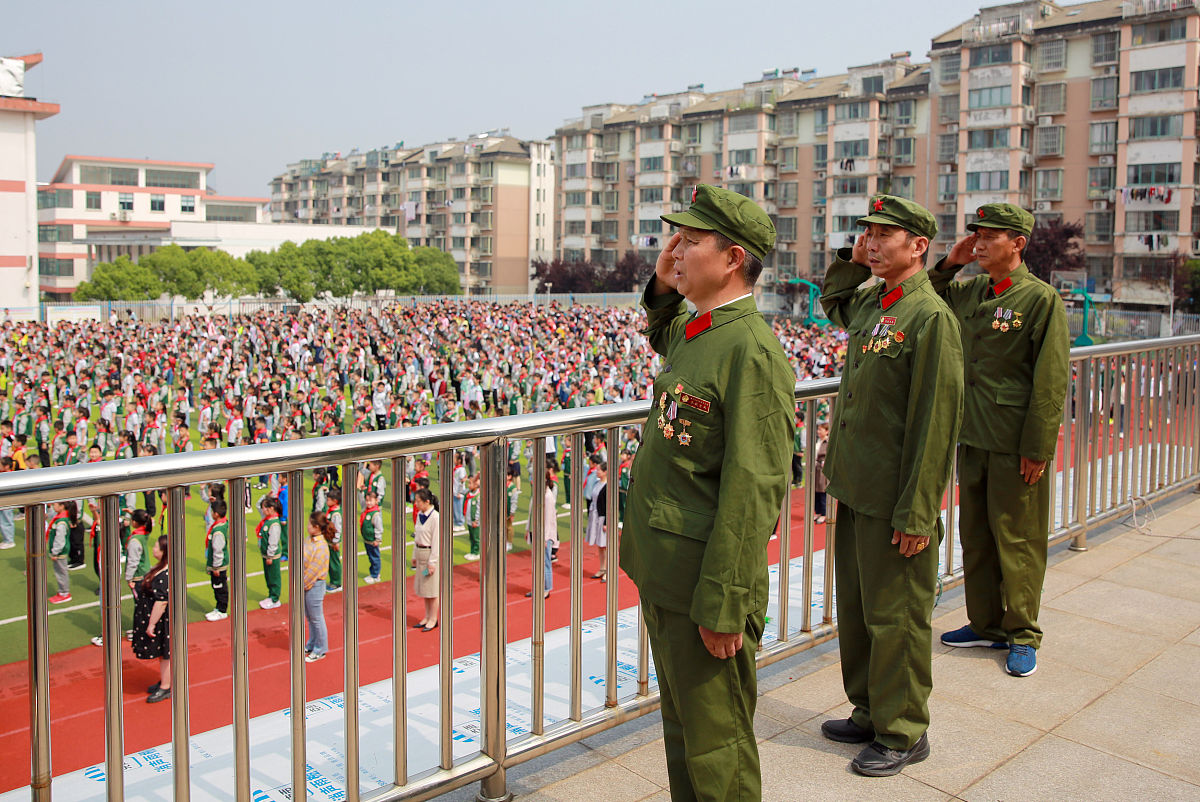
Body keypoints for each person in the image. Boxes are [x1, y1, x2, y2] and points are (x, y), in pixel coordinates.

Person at [620, 184, 794, 801]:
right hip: (668, 570)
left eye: (692, 242)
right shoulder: (701, 330)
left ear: (732, 259)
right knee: (683, 731)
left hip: (704, 585)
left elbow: (753, 493)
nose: (676, 250)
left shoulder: (750, 351)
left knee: (717, 746)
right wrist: (666, 283)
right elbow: (663, 329)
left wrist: (723, 603)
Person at [818, 195, 964, 776]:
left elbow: (934, 426)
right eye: (868, 233)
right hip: (856, 485)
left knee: (896, 616)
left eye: (885, 235)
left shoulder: (930, 318)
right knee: (856, 609)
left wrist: (918, 513)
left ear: (919, 246)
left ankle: (903, 730)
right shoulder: (877, 302)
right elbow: (832, 304)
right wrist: (854, 264)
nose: (872, 242)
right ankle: (869, 709)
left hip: (896, 496)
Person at [931, 203, 1070, 678]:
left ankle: (1024, 632)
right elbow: (925, 299)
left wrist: (1038, 447)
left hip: (1014, 442)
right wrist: (951, 262)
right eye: (978, 235)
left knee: (1019, 539)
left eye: (992, 236)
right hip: (972, 433)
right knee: (977, 536)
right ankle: (986, 621)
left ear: (1019, 244)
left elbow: (1050, 381)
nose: (981, 243)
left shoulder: (1040, 299)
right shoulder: (969, 292)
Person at [132, 534, 172, 703]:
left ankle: (166, 686)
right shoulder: (161, 569)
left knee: (166, 653)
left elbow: (161, 602)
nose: (153, 549)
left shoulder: (165, 574)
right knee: (163, 654)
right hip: (156, 618)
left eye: (156, 547)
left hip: (161, 621)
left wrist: (152, 624)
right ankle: (165, 681)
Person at [303, 511, 333, 662]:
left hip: (314, 584)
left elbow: (313, 570)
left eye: (309, 524)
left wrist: (303, 584)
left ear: (316, 527)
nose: (307, 526)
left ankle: (320, 648)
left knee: (316, 617)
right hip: (306, 582)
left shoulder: (321, 546)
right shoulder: (310, 540)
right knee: (309, 616)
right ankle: (312, 643)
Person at [526, 465, 558, 599]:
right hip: (536, 532)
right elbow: (531, 512)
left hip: (544, 535)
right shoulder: (537, 493)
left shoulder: (547, 496)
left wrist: (545, 538)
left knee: (545, 562)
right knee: (536, 562)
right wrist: (528, 529)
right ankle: (538, 587)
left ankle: (546, 588)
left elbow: (549, 518)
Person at [411, 487, 440, 631]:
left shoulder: (435, 517)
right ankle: (427, 616)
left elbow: (436, 541)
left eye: (418, 501)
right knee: (424, 588)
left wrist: (432, 562)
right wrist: (414, 555)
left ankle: (433, 618)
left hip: (430, 555)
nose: (416, 504)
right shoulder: (420, 515)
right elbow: (417, 536)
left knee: (432, 589)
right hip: (421, 554)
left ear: (427, 502)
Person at [257, 496, 285, 609]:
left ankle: (275, 598)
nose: (262, 510)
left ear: (271, 508)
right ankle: (271, 595)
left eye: (264, 508)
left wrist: (270, 555)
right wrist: (265, 497)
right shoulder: (267, 519)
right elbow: (257, 505)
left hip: (271, 556)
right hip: (265, 554)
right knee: (268, 576)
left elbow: (273, 541)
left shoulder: (274, 524)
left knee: (273, 577)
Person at [204, 498, 229, 621]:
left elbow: (218, 550)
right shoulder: (222, 525)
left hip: (219, 566)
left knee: (219, 586)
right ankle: (219, 607)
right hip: (218, 564)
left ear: (216, 514)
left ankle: (222, 610)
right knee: (217, 586)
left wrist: (216, 567)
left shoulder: (218, 531)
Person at [47, 500, 76, 603]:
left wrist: (55, 552)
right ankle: (62, 591)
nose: (54, 506)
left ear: (62, 506)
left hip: (60, 553)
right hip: (59, 552)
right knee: (59, 572)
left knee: (61, 572)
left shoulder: (61, 522)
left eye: (55, 504)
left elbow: (60, 540)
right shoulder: (59, 518)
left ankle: (64, 592)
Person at [585, 461, 608, 581]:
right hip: (595, 515)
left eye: (599, 470)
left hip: (603, 518)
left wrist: (606, 523)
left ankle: (609, 570)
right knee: (599, 545)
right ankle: (602, 568)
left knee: (606, 545)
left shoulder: (608, 486)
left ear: (605, 472)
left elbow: (609, 506)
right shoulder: (597, 483)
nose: (596, 472)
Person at [360, 488, 383, 584]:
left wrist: (377, 539)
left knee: (374, 557)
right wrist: (361, 492)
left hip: (372, 540)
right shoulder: (367, 511)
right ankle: (373, 573)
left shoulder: (375, 514)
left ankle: (375, 575)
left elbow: (379, 528)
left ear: (376, 501)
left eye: (370, 501)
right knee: (371, 556)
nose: (368, 503)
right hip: (367, 539)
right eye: (367, 500)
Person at [812, 422, 829, 524]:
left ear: (826, 431)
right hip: (815, 468)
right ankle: (817, 511)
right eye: (818, 430)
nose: (818, 432)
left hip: (822, 470)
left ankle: (824, 513)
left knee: (822, 491)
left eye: (821, 430)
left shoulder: (828, 442)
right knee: (815, 491)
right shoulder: (818, 441)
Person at [463, 473, 481, 561]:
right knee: (471, 537)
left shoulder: (478, 496)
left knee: (476, 537)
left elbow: (479, 509)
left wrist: (476, 520)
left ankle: (476, 552)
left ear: (476, 485)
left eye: (470, 483)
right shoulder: (469, 494)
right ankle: (472, 551)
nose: (468, 485)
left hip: (475, 521)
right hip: (469, 519)